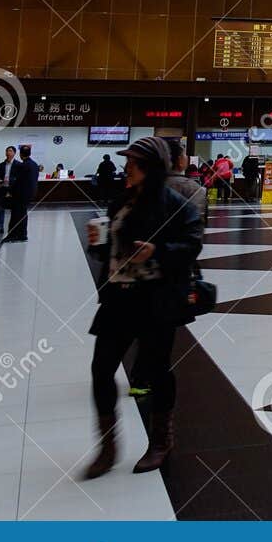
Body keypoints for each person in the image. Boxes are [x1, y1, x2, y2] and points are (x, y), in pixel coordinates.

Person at [81, 135, 202, 478]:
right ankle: (108, 446)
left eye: (132, 163)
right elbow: (110, 252)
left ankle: (161, 441)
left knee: (156, 370)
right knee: (101, 368)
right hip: (119, 297)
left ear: (151, 168)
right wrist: (99, 246)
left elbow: (192, 245)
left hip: (156, 300)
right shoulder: (121, 203)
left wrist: (157, 252)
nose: (126, 169)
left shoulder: (178, 206)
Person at [4, 144, 39, 242]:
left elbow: (18, 181)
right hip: (30, 194)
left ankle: (13, 235)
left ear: (20, 154)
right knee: (23, 214)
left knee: (16, 215)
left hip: (20, 194)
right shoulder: (34, 164)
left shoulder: (23, 166)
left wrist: (10, 191)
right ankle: (23, 235)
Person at [0, 144, 16, 234]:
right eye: (7, 151)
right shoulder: (1, 165)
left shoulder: (18, 165)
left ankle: (13, 227)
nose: (8, 153)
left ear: (14, 153)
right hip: (3, 188)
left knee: (14, 209)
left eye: (10, 151)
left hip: (13, 189)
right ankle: (0, 227)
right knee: (0, 208)